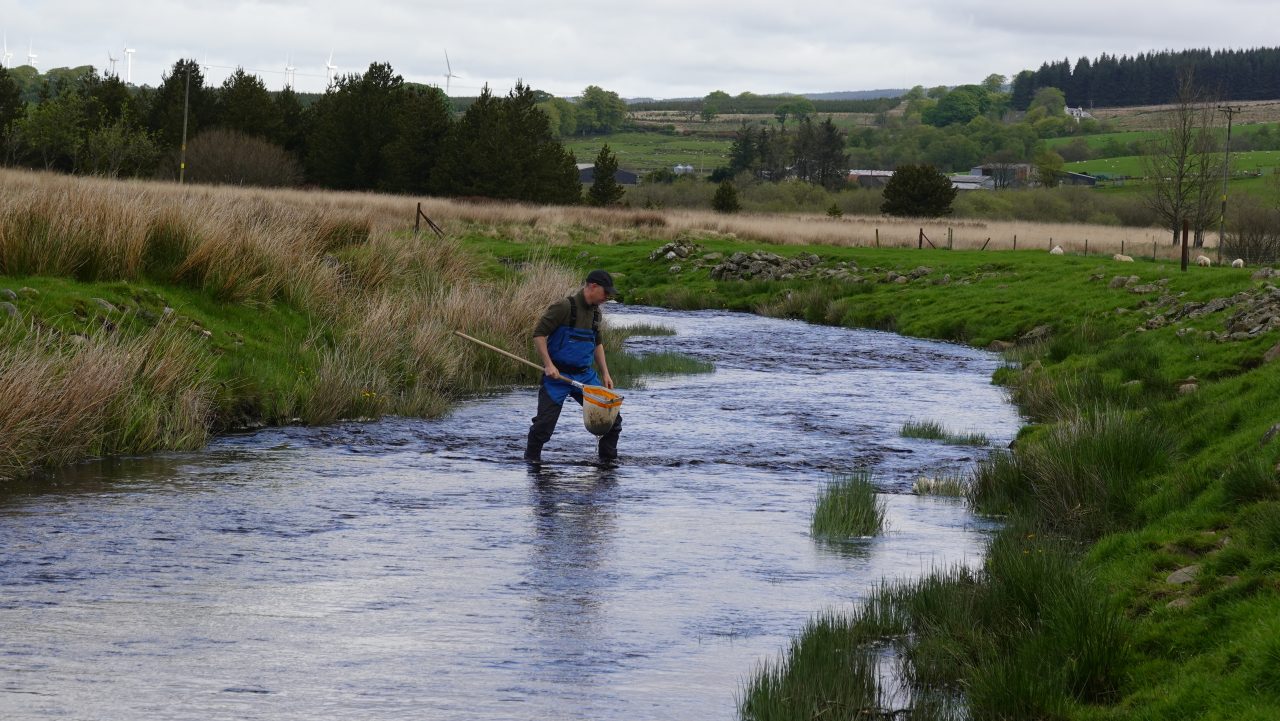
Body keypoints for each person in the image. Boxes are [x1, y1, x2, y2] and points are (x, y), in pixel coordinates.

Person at [524, 269, 622, 463]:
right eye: (605, 292)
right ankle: (531, 462)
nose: (607, 297)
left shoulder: (596, 314)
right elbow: (539, 334)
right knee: (543, 426)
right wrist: (549, 365)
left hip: (586, 377)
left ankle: (607, 466)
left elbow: (597, 343)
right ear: (593, 286)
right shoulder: (563, 307)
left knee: (612, 421)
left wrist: (605, 374)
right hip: (556, 378)